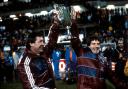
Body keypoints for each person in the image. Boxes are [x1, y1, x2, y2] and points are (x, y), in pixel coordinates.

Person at [69, 19, 128, 89]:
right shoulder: (81, 52)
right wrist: (73, 24)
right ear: (88, 46)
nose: (96, 46)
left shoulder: (103, 59)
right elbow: (75, 39)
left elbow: (113, 78)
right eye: (93, 44)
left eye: (98, 44)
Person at [17, 14, 60, 89]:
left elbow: (52, 41)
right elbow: (30, 87)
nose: (43, 44)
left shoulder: (44, 52)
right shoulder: (24, 62)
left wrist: (55, 24)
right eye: (40, 41)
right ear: (31, 43)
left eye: (43, 41)